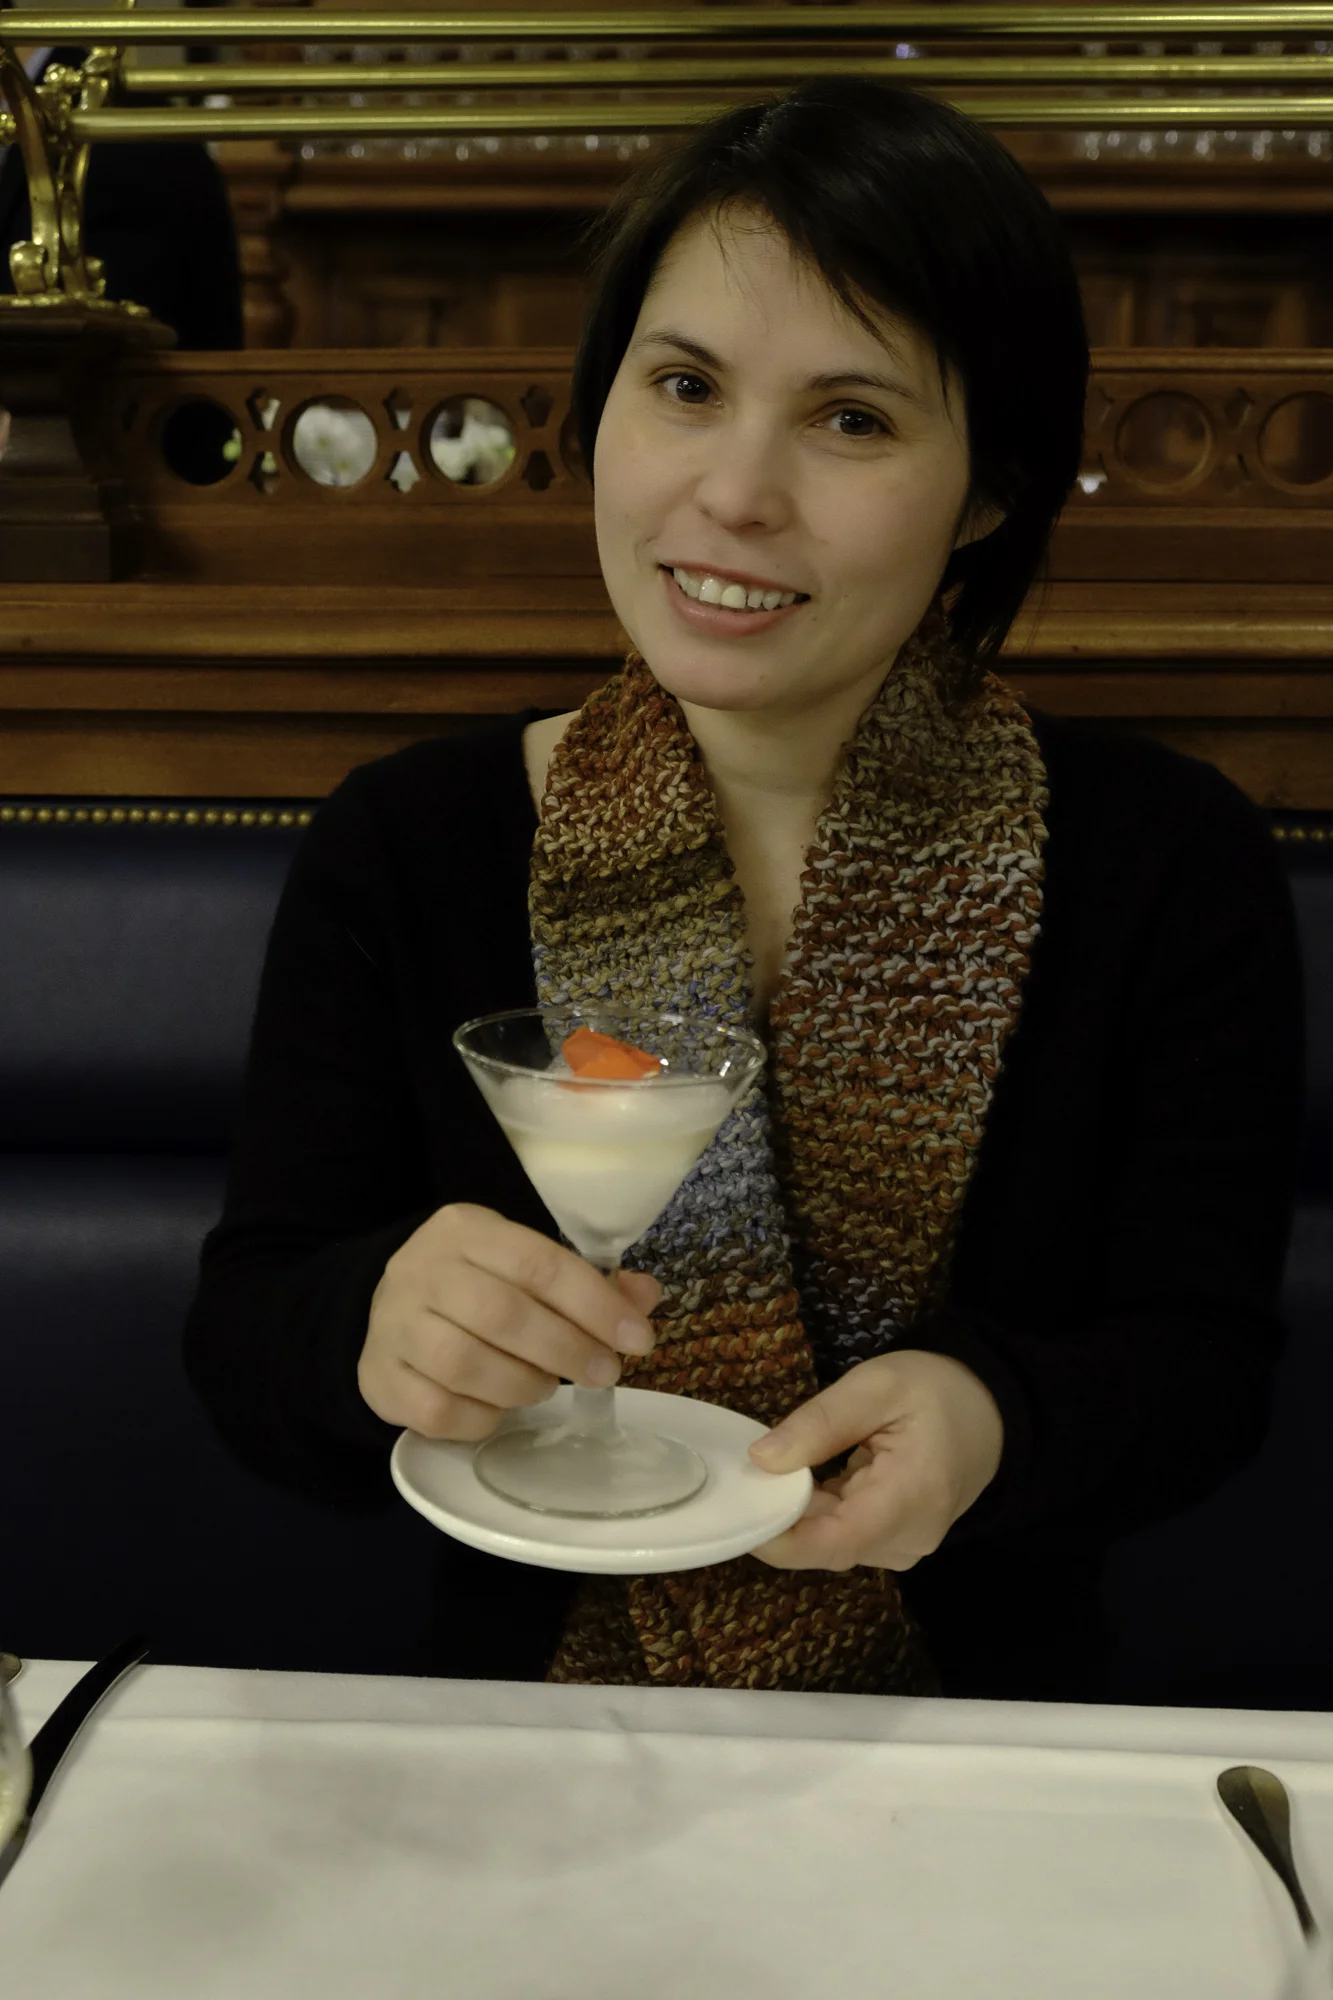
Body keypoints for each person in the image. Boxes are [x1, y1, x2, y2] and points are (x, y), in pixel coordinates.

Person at [182, 79, 1305, 1701]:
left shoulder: (1168, 865)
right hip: (518, 1733)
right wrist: (372, 1326)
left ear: (991, 489)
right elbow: (248, 1347)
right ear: (602, 407)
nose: (734, 493)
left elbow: (1204, 1370)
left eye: (853, 419)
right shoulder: (407, 844)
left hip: (991, 1743)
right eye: (687, 386)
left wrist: (999, 1418)